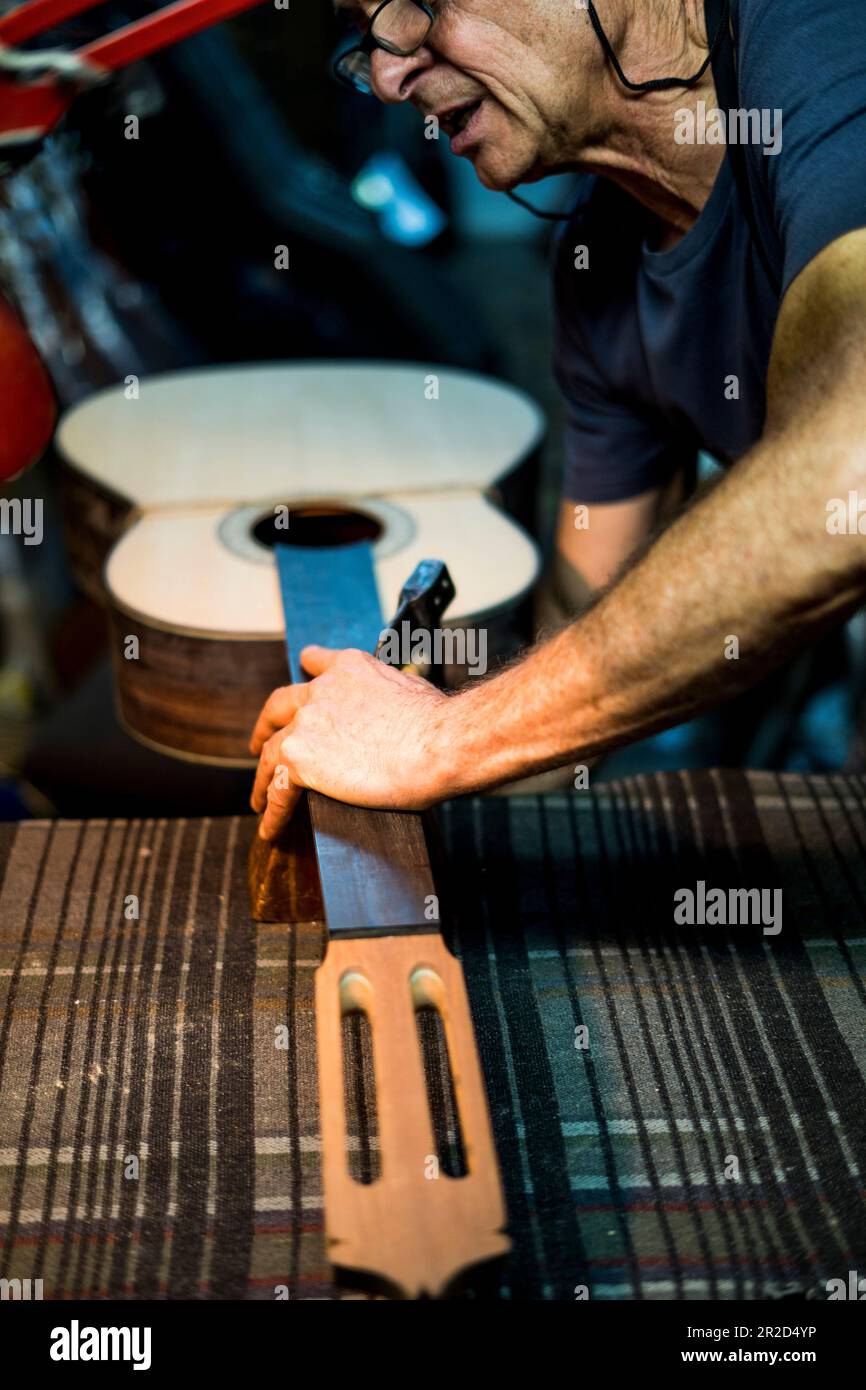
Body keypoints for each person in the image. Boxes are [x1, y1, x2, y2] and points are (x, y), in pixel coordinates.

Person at [251, 0, 866, 840]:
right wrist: (395, 732)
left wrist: (441, 740)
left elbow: (850, 471)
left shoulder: (819, 29)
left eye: (410, 5)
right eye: (368, 39)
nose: (390, 78)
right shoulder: (597, 263)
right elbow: (582, 616)